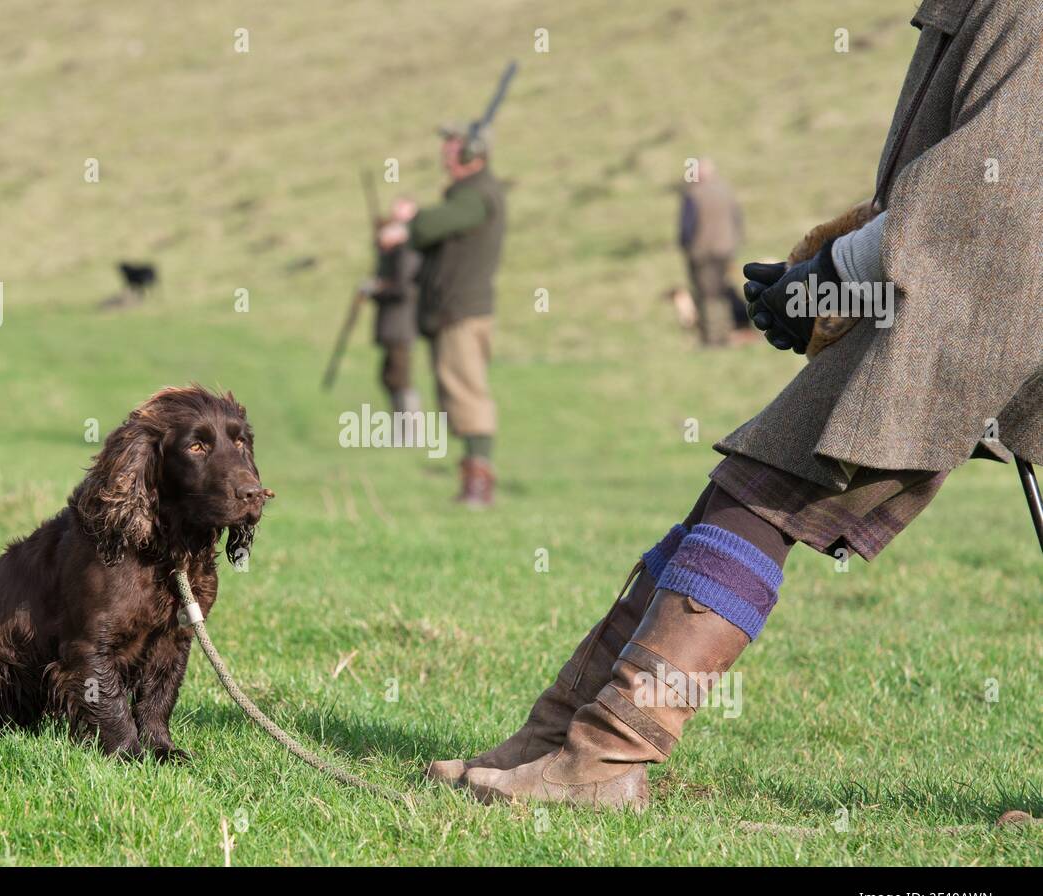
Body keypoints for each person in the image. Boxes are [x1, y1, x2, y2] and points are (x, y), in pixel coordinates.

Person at [428, 0, 1043, 807]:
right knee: (748, 489)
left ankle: (605, 756)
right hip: (980, 295)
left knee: (766, 483)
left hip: (990, 302)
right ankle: (568, 734)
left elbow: (992, 195)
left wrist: (838, 274)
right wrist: (831, 259)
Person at [378, 123, 506, 507]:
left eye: (453, 149)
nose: (445, 156)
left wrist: (412, 221)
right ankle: (472, 479)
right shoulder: (469, 195)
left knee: (467, 392)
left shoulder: (475, 196)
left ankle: (478, 484)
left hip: (460, 310)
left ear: (472, 155)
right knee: (457, 392)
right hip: (454, 308)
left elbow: (429, 225)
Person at [366, 197, 423, 425]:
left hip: (401, 325)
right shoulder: (395, 255)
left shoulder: (406, 254)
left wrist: (377, 288)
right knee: (390, 377)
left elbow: (403, 288)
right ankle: (403, 428)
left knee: (399, 378)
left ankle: (411, 430)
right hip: (395, 325)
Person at [678, 159, 743, 347]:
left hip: (702, 252)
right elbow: (737, 220)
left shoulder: (693, 194)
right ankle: (726, 333)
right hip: (726, 249)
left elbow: (687, 227)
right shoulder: (726, 192)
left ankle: (712, 338)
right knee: (724, 290)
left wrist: (686, 246)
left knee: (707, 295)